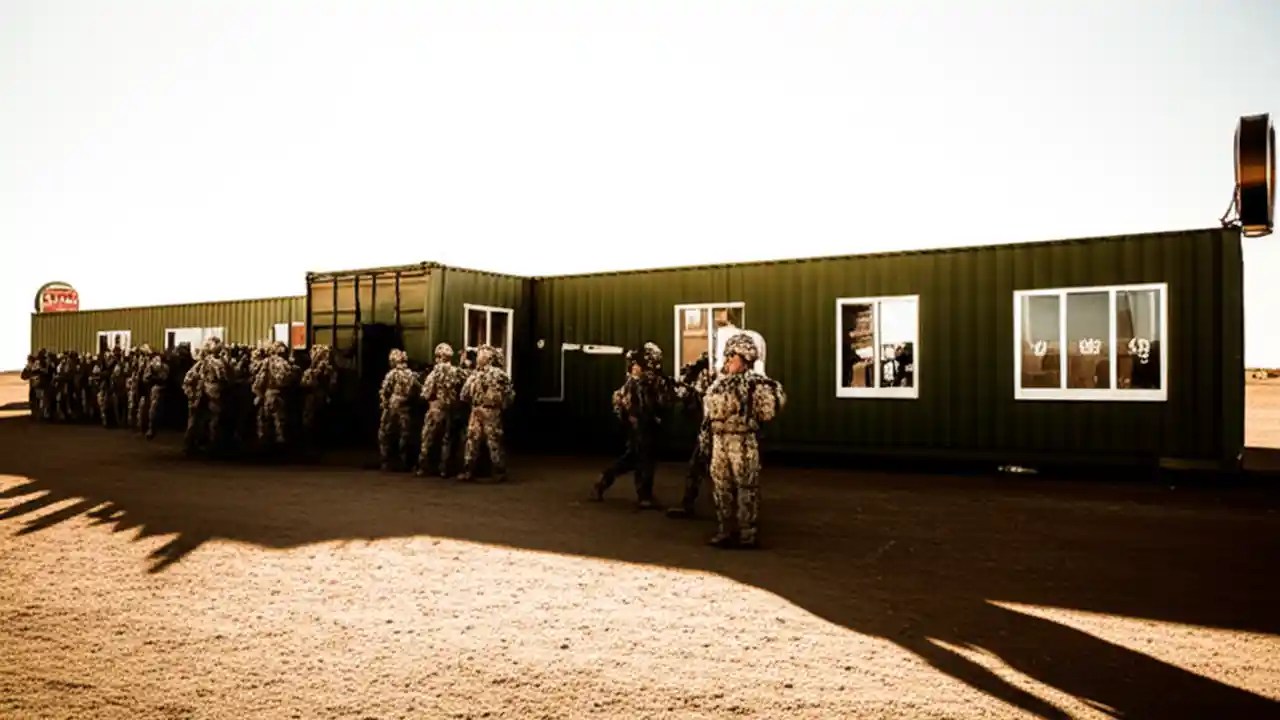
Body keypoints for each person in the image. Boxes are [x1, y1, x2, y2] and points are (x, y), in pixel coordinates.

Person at [702, 333, 786, 549]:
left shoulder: (757, 384)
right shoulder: (718, 384)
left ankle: (747, 532)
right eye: (727, 355)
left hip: (743, 441)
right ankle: (724, 530)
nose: (728, 360)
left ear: (746, 358)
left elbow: (768, 411)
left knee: (746, 486)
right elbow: (708, 414)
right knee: (721, 486)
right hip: (720, 441)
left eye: (734, 356)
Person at [592, 342, 672, 509]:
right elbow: (636, 404)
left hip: (644, 424)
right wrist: (636, 419)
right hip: (641, 425)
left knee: (633, 458)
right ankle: (644, 495)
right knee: (644, 458)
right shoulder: (637, 382)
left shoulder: (649, 380)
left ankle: (604, 480)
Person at [457, 344, 515, 482]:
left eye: (481, 355)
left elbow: (464, 395)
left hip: (481, 411)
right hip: (489, 411)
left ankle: (470, 471)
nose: (478, 357)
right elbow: (510, 395)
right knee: (490, 441)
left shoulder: (476, 375)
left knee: (476, 441)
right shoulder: (499, 375)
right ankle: (497, 472)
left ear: (488, 358)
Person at [416, 342, 467, 478]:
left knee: (428, 439)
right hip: (451, 409)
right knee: (447, 439)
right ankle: (444, 469)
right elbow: (465, 389)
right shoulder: (457, 372)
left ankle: (423, 467)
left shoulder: (435, 373)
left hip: (436, 409)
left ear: (438, 357)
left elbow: (426, 393)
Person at [378, 348, 422, 471]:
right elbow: (419, 391)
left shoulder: (392, 374)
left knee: (385, 434)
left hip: (392, 407)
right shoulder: (411, 375)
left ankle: (386, 461)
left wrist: (385, 403)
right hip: (405, 409)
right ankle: (405, 461)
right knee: (405, 435)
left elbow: (385, 390)